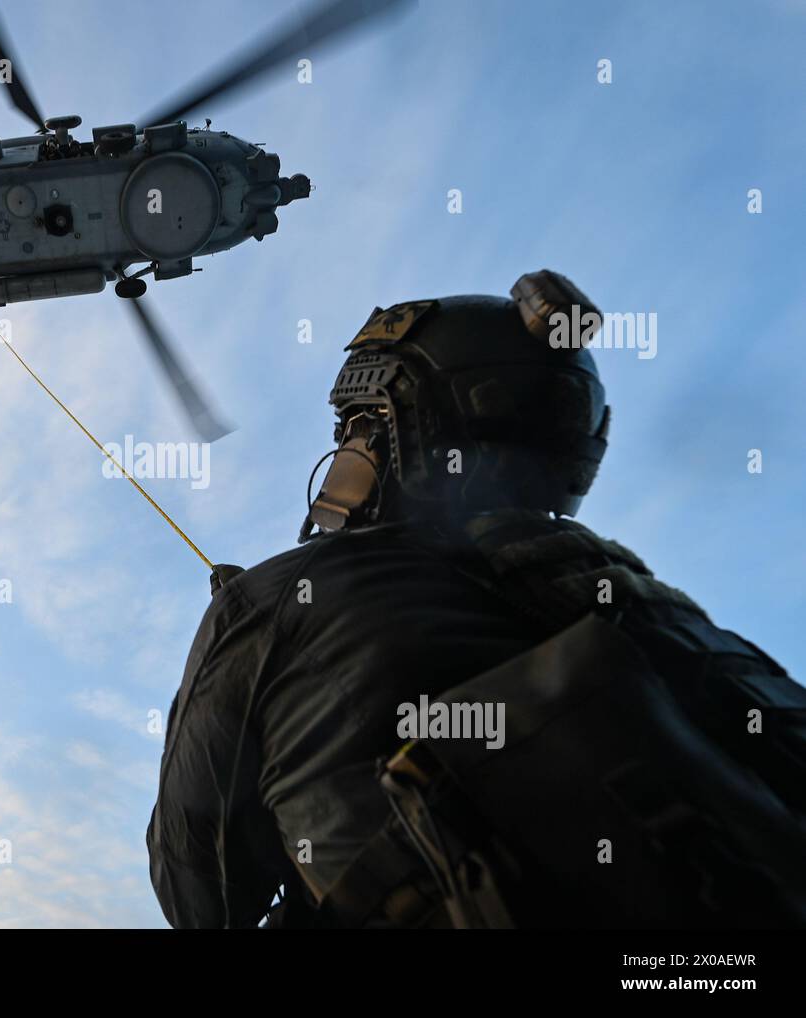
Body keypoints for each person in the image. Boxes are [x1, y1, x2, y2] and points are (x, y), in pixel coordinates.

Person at [146, 270, 806, 929]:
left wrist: (244, 642)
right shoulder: (676, 623)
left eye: (356, 422)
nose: (347, 444)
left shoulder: (274, 604)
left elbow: (198, 898)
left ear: (394, 427)